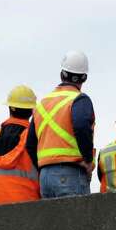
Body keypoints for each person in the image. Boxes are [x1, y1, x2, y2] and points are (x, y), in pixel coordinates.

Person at [30, 50, 95, 198]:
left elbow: (30, 144)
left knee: (53, 221)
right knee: (77, 220)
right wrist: (88, 160)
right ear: (84, 77)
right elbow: (80, 126)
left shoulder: (42, 104)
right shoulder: (79, 100)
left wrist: (43, 167)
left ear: (62, 74)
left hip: (45, 176)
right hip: (70, 173)